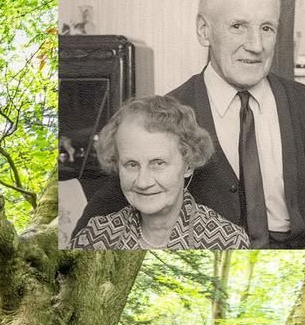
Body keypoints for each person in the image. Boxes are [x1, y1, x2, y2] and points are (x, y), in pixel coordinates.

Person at [71, 0, 305, 249]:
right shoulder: (165, 118)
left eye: (266, 28)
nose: (256, 45)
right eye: (238, 26)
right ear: (204, 31)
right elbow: (101, 219)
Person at [72, 96, 248, 250]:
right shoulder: (94, 236)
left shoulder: (227, 241)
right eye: (131, 164)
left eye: (158, 163)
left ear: (188, 165)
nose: (143, 182)